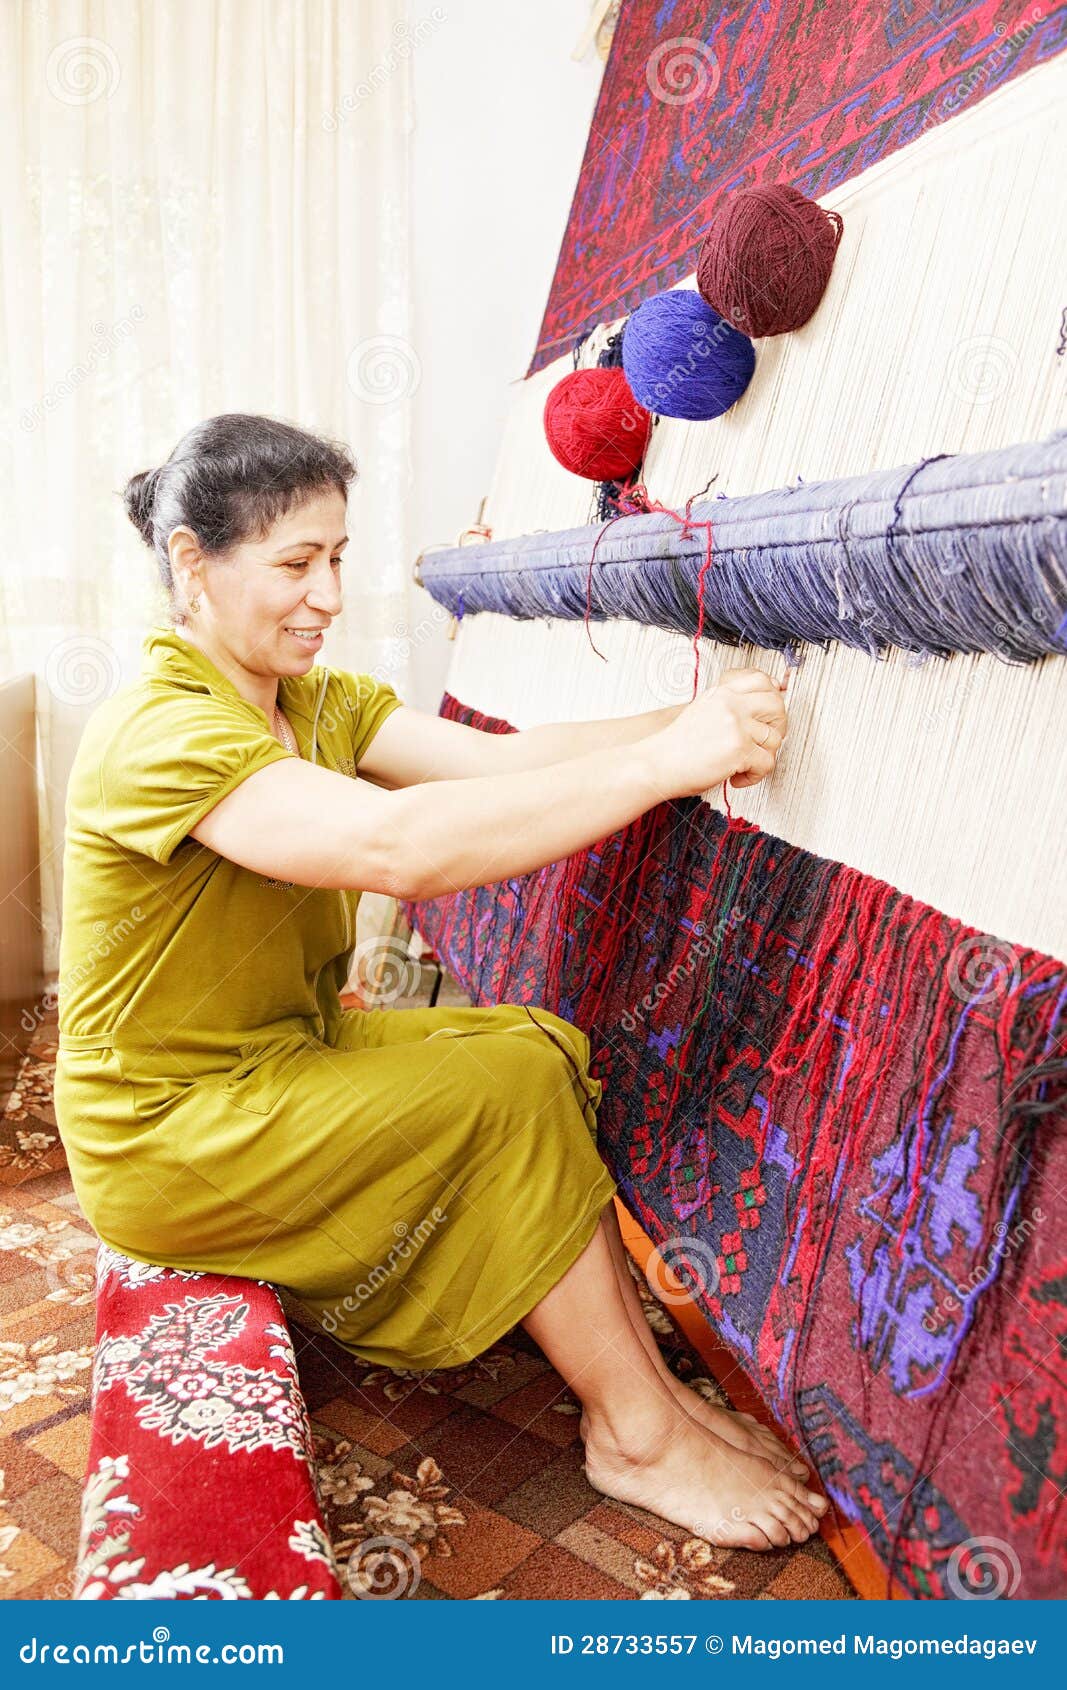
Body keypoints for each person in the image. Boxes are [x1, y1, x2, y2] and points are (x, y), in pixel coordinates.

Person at [55, 412, 827, 1553]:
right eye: (294, 563)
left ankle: (652, 1401)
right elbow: (395, 849)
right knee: (497, 1100)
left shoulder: (315, 703)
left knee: (533, 1050)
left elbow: (502, 761)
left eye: (337, 558)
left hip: (274, 1064)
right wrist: (665, 765)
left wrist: (690, 721)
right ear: (191, 564)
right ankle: (635, 1433)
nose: (326, 594)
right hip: (171, 1129)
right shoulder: (158, 731)